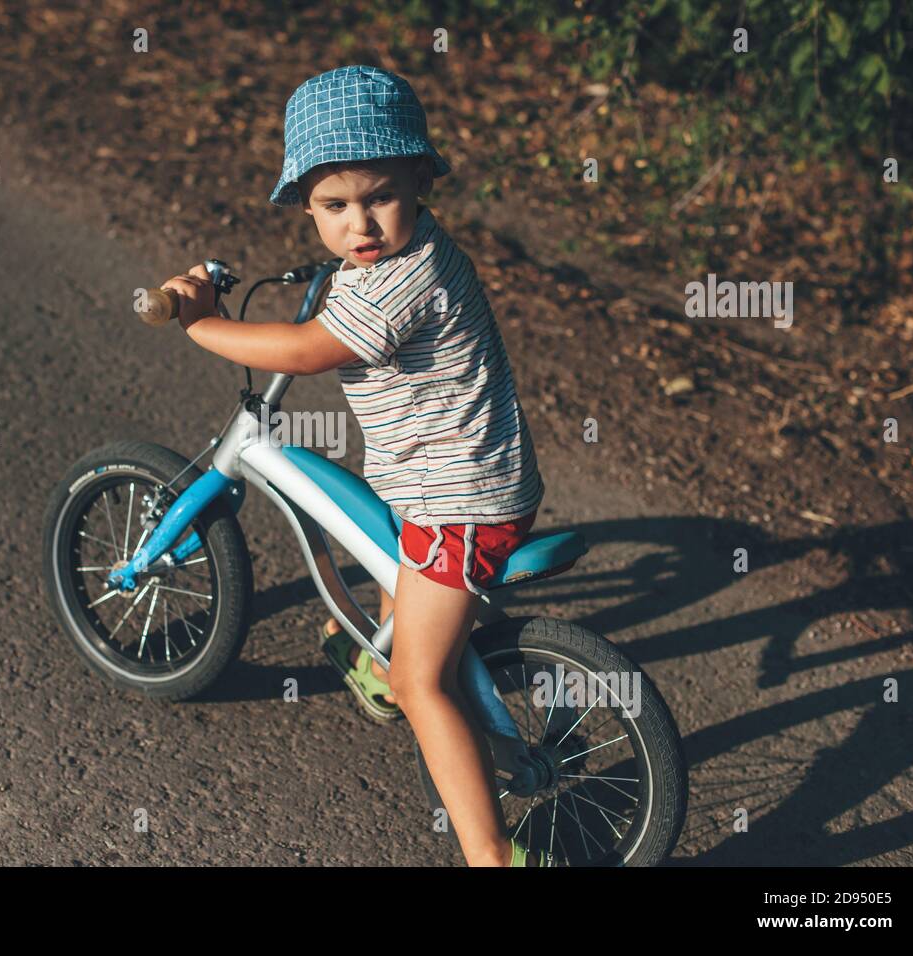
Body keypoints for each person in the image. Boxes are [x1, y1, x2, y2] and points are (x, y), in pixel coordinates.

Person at [160, 65, 547, 867]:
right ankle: (383, 664)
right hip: (451, 478)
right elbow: (340, 300)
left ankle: (492, 855)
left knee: (424, 684)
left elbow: (309, 349)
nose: (360, 224)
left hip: (461, 502)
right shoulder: (401, 256)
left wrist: (203, 327)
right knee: (387, 541)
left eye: (380, 197)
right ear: (307, 206)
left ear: (422, 180)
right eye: (335, 207)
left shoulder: (401, 280)